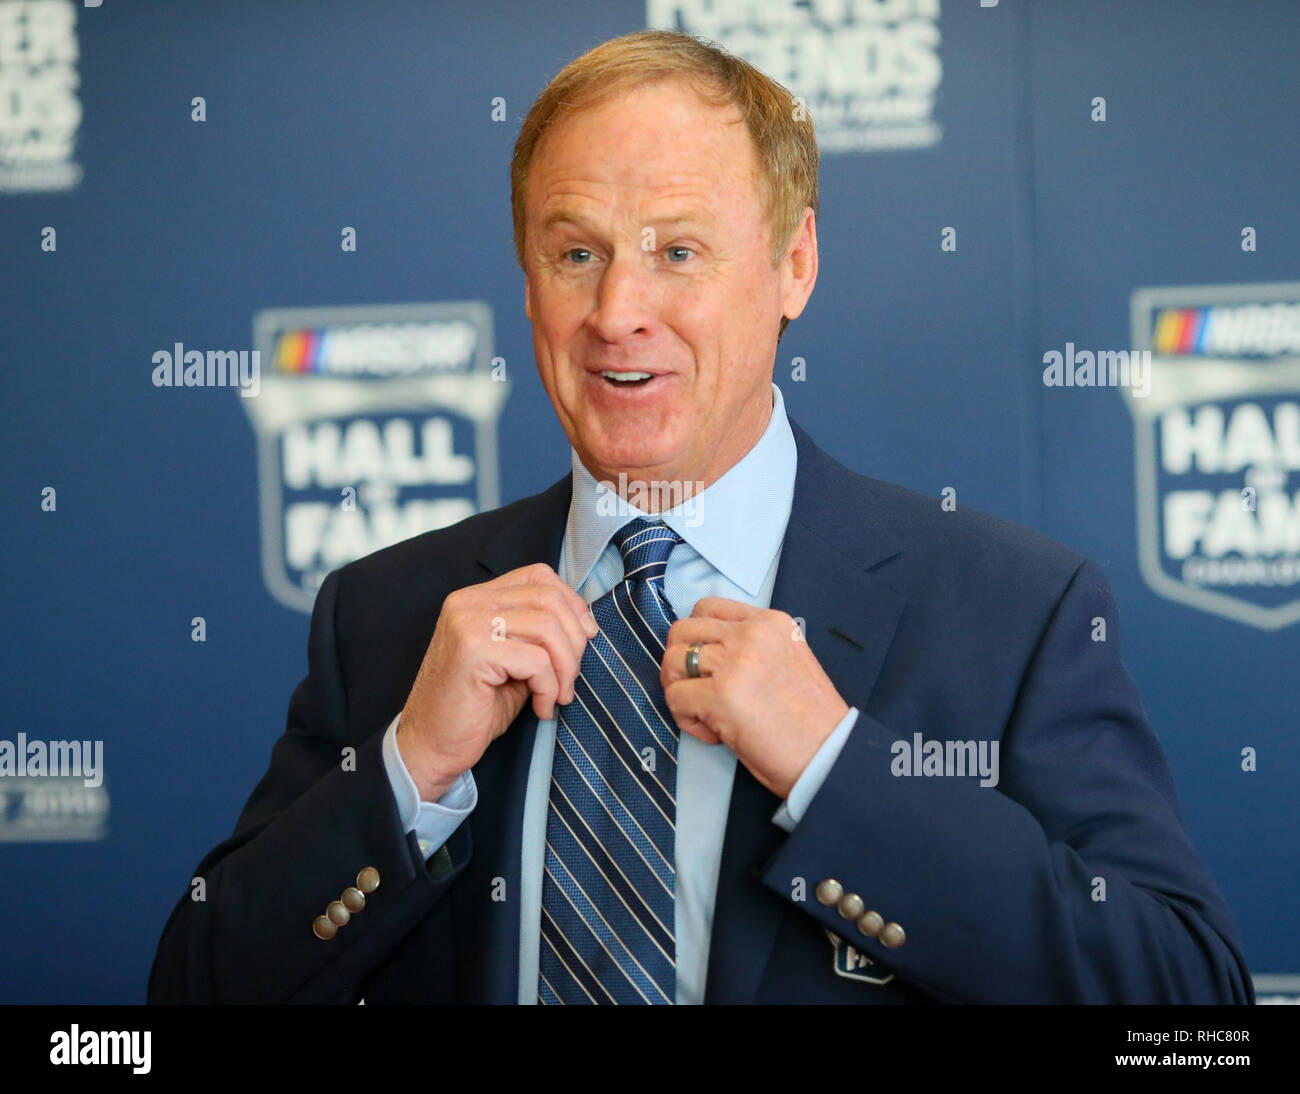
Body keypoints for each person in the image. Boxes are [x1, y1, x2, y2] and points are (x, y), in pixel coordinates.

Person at [148, 29, 1252, 1005]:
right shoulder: (385, 613)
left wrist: (833, 767)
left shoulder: (1012, 609)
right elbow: (191, 989)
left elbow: (1183, 994)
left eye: (678, 251)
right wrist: (407, 771)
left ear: (793, 265)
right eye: (575, 252)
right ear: (527, 281)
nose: (618, 313)